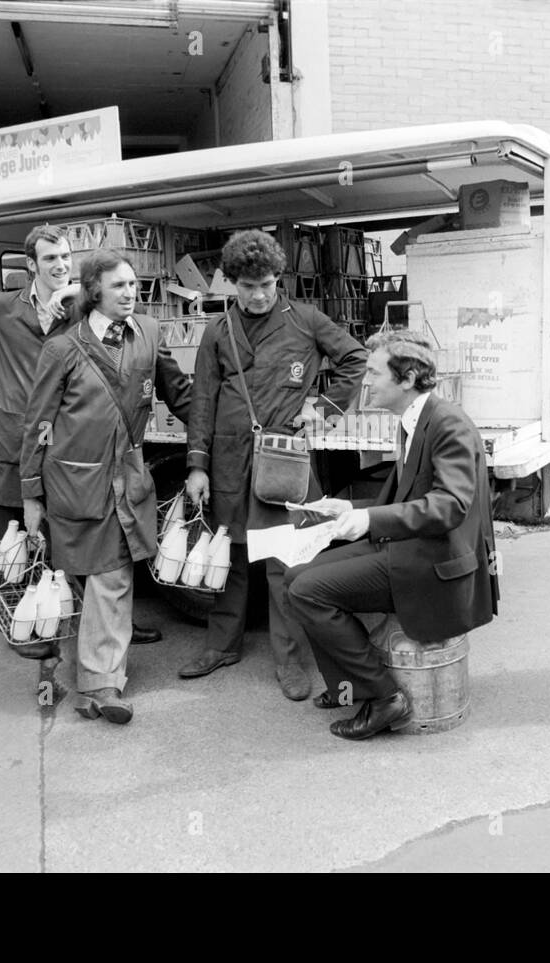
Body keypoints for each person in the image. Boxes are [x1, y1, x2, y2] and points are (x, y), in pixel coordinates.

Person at [0, 225, 162, 647]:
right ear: (30, 265)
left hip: (69, 448)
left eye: (65, 257)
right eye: (50, 259)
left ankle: (97, 630)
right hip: (16, 443)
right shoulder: (3, 307)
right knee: (23, 546)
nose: (60, 265)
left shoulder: (78, 308)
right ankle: (34, 631)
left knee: (79, 545)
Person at [178, 229, 367, 701]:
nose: (258, 295)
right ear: (231, 283)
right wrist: (196, 466)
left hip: (284, 462)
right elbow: (202, 400)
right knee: (230, 556)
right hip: (226, 461)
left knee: (284, 561)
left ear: (278, 278)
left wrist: (320, 409)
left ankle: (289, 660)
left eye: (266, 284)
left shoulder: (305, 320)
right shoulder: (217, 331)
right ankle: (222, 646)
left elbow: (355, 357)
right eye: (247, 286)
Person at [284, 330, 499, 740]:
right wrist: (351, 509)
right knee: (297, 577)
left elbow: (448, 506)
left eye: (372, 372)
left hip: (433, 566)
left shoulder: (448, 424)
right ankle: (347, 689)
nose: (365, 382)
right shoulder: (416, 419)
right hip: (412, 549)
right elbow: (405, 498)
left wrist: (368, 523)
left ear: (406, 378)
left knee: (308, 591)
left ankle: (383, 697)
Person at [19, 250, 192, 725]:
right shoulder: (61, 348)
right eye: (119, 286)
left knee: (111, 577)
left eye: (134, 284)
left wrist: (215, 438)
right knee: (83, 579)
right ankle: (79, 672)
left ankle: (102, 684)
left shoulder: (150, 333)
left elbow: (178, 393)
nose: (131, 292)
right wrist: (32, 494)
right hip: (72, 480)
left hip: (126, 479)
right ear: (94, 291)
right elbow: (38, 423)